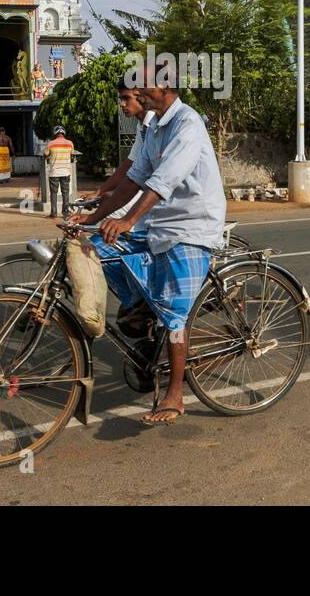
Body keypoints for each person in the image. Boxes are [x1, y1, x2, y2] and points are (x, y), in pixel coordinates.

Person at [69, 73, 226, 426]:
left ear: (166, 87)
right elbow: (133, 179)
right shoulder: (153, 128)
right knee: (97, 249)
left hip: (191, 226)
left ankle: (175, 394)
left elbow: (163, 180)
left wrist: (127, 221)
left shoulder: (188, 124)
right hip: (158, 221)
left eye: (143, 87)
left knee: (174, 313)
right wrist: (95, 218)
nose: (137, 93)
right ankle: (140, 304)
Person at [89, 80, 154, 222]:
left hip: (161, 197)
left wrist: (113, 195)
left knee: (107, 217)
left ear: (141, 95)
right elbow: (129, 163)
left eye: (126, 98)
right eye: (121, 99)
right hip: (149, 190)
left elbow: (138, 175)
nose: (122, 104)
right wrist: (100, 191)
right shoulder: (142, 126)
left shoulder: (156, 124)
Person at [43, 125, 75, 218]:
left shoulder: (51, 143)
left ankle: (54, 213)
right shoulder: (70, 143)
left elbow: (45, 154)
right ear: (64, 133)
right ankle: (65, 213)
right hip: (66, 172)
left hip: (54, 172)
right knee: (65, 192)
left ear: (55, 133)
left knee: (53, 193)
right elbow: (72, 154)